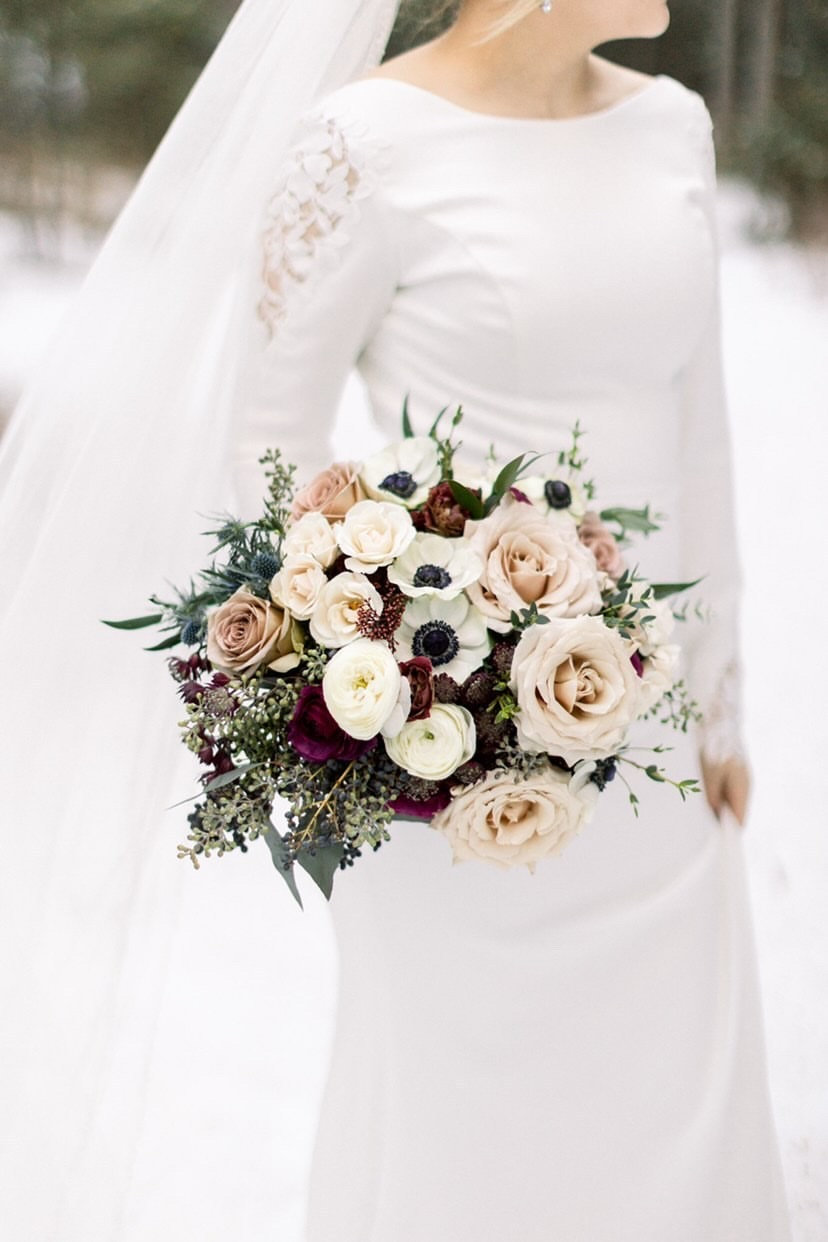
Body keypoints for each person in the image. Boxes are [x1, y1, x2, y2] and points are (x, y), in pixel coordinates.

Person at [0, 0, 791, 1238]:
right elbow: (265, 446)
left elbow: (702, 439)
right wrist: (375, 669)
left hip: (653, 748)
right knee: (465, 1119)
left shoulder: (673, 126)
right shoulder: (362, 144)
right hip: (450, 764)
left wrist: (721, 698)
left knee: (663, 1095)